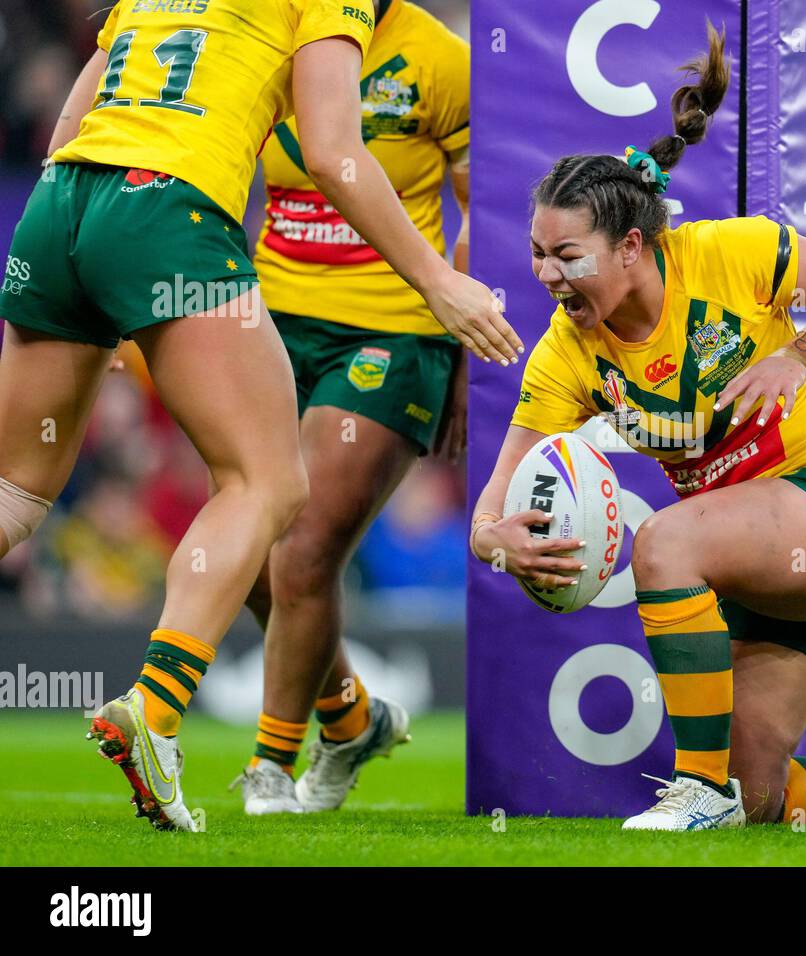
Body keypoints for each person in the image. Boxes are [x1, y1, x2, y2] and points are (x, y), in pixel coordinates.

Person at [0, 0, 518, 832]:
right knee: (266, 489)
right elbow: (332, 150)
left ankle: (329, 728)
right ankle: (157, 712)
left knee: (17, 496)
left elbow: (69, 127)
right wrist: (440, 281)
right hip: (173, 219)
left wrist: (94, 264)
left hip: (61, 202)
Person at [470, 25, 806, 831]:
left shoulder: (726, 254)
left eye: (566, 255)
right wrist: (502, 543)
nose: (545, 275)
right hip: (758, 558)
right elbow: (487, 513)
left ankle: (696, 794)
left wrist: (801, 353)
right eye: (536, 253)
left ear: (632, 246)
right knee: (763, 792)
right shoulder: (566, 355)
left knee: (664, 544)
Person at [231, 0, 472, 817]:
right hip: (266, 317)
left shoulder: (439, 59)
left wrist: (464, 360)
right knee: (240, 547)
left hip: (394, 328)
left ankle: (270, 768)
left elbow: (484, 211)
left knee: (301, 549)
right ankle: (352, 718)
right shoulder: (265, 29)